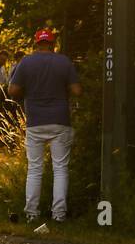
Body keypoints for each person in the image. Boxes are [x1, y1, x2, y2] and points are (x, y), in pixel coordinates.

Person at [8, 29, 81, 223]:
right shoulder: (64, 62)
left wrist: (29, 89)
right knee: (60, 168)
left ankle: (32, 214)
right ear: (53, 43)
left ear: (35, 43)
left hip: (35, 121)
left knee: (34, 169)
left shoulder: (26, 62)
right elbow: (76, 90)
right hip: (60, 120)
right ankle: (59, 214)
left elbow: (13, 89)